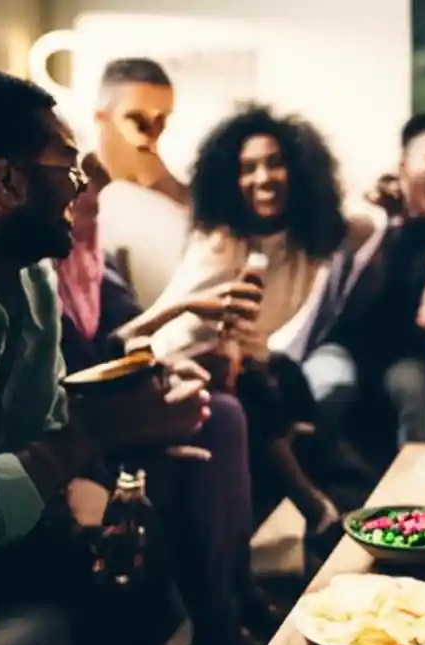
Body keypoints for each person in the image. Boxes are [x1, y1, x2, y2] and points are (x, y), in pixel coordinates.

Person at [0, 68, 210, 645]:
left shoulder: (31, 282)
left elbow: (39, 430)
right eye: (68, 166)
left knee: (127, 543)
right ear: (7, 181)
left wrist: (97, 491)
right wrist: (102, 429)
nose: (82, 185)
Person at [59, 154, 278, 645]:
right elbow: (79, 372)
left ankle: (225, 612)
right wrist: (181, 310)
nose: (89, 203)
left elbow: (124, 349)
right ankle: (223, 619)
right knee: (221, 417)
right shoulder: (36, 273)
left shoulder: (96, 265)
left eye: (95, 198)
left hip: (115, 414)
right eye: (80, 191)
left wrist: (170, 366)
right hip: (84, 431)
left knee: (223, 410)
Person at [139, 105, 352, 557]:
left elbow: (363, 226)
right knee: (259, 393)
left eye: (275, 163)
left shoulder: (303, 245)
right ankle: (316, 511)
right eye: (248, 168)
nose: (263, 178)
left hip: (240, 363)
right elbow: (188, 335)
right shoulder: (223, 242)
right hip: (175, 366)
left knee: (292, 384)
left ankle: (324, 518)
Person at [301, 114, 425, 469]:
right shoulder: (369, 220)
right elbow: (348, 292)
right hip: (342, 345)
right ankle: (314, 490)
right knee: (329, 386)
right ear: (403, 166)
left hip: (405, 354)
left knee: (415, 389)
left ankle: (416, 495)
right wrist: (388, 223)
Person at [92, 57, 193, 307]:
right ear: (102, 117)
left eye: (162, 120)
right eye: (138, 121)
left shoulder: (179, 198)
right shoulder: (73, 191)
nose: (153, 134)